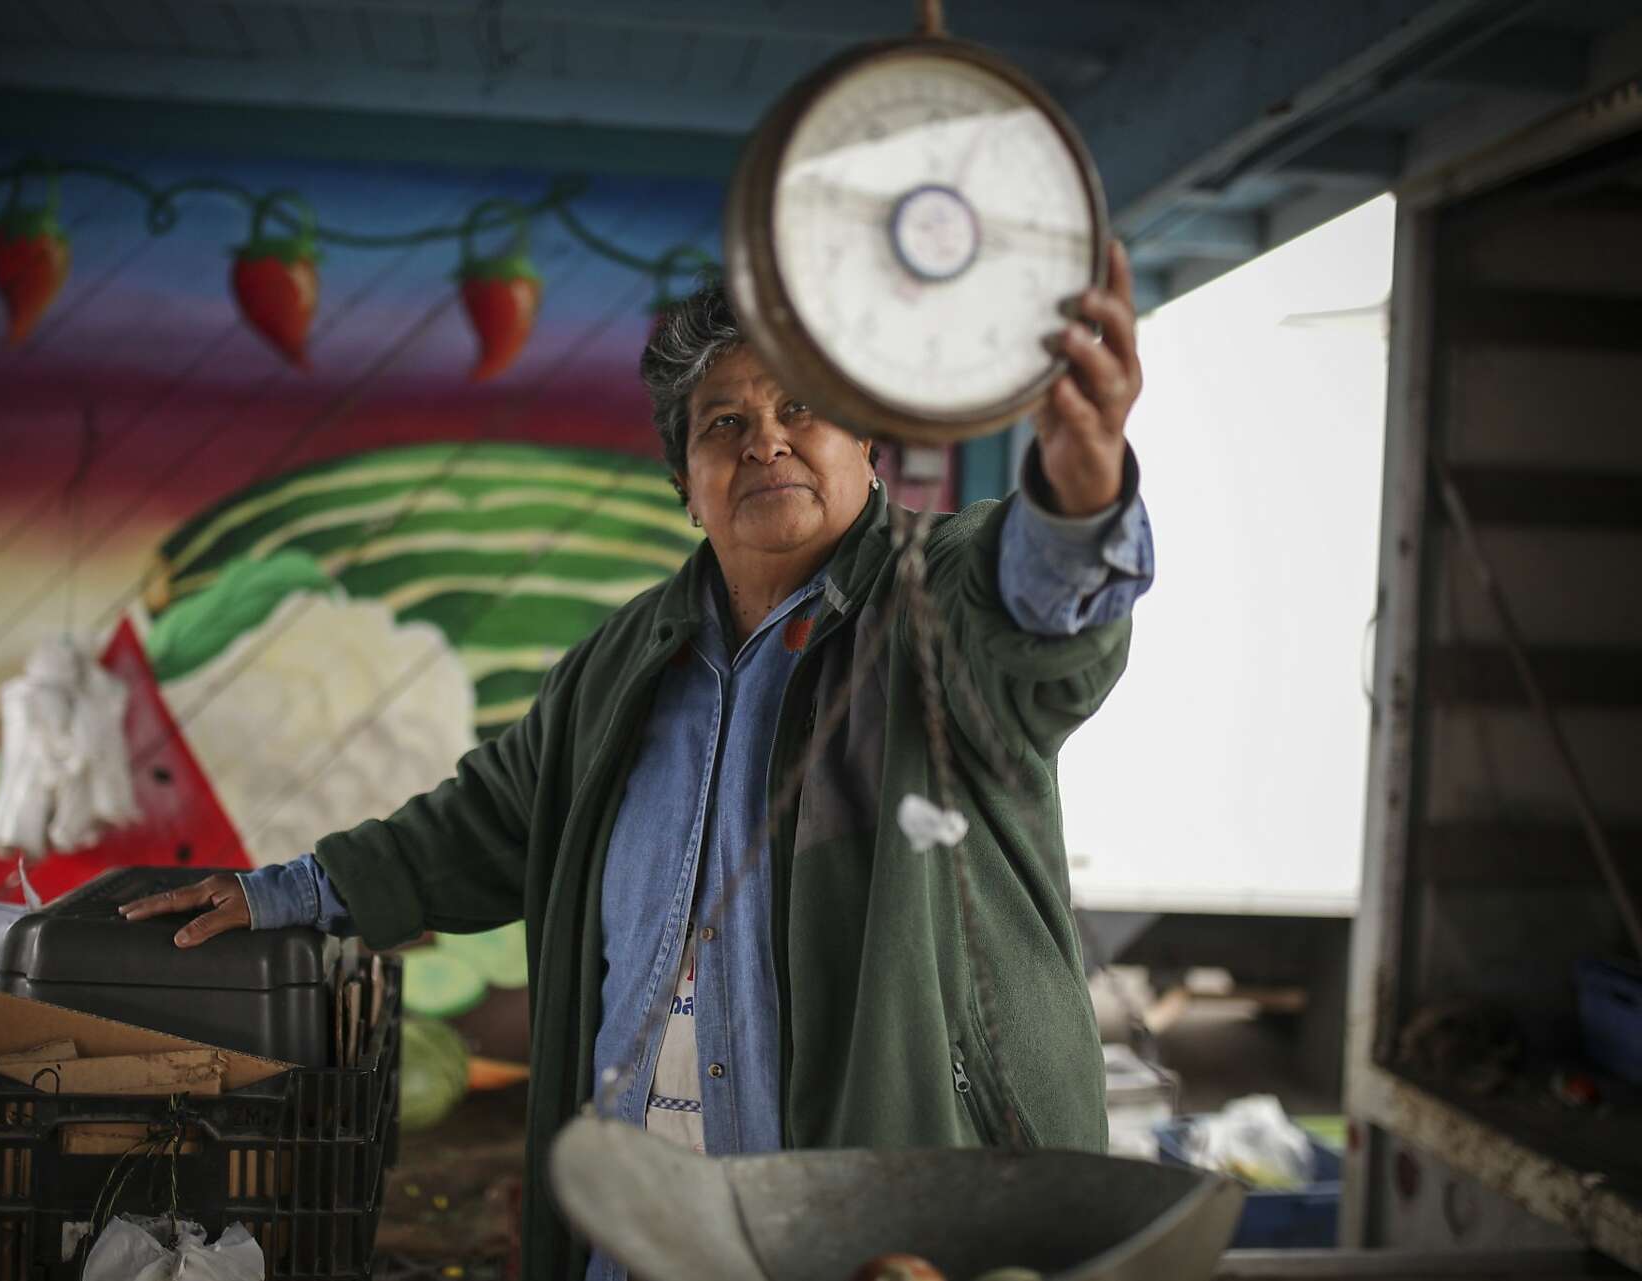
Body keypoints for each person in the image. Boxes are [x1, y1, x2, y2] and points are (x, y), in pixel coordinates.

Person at [126, 244, 1154, 1281]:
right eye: (726, 425)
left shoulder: (941, 599)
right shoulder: (615, 668)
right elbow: (479, 824)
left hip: (899, 1220)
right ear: (685, 485)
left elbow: (1043, 618)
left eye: (801, 410)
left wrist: (1080, 486)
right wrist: (290, 894)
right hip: (649, 1225)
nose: (767, 444)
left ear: (867, 447)